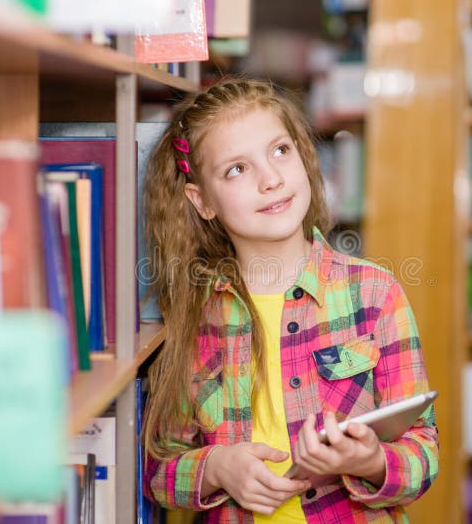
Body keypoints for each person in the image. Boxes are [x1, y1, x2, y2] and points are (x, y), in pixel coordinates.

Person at [141, 77, 438, 523]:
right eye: (237, 169)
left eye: (280, 151)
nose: (271, 179)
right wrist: (217, 467)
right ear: (202, 201)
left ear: (303, 155)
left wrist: (371, 461)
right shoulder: (193, 316)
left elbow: (424, 452)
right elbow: (159, 472)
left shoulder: (374, 294)